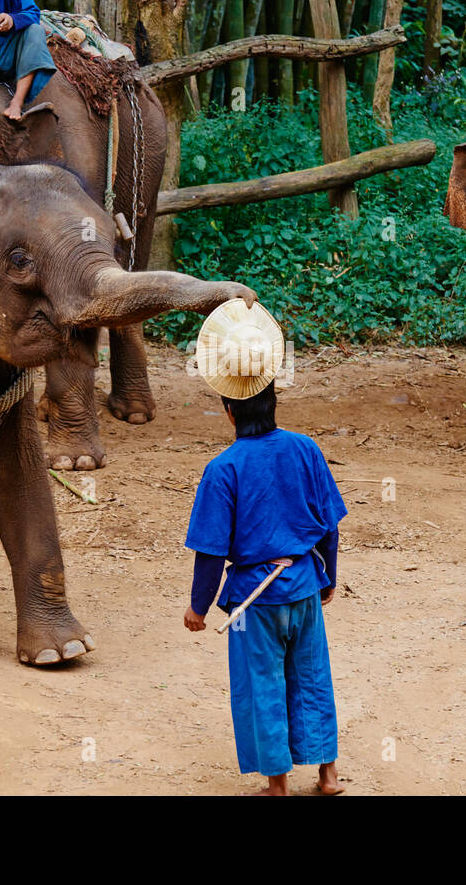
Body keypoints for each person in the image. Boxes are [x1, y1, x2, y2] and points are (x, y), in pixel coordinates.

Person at [182, 299, 347, 796]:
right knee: (313, 676)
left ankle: (277, 784)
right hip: (302, 587)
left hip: (254, 600)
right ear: (274, 398)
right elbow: (329, 528)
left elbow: (210, 551)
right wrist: (329, 578)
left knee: (262, 686)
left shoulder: (223, 469)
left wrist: (198, 606)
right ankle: (328, 774)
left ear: (228, 411)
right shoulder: (305, 449)